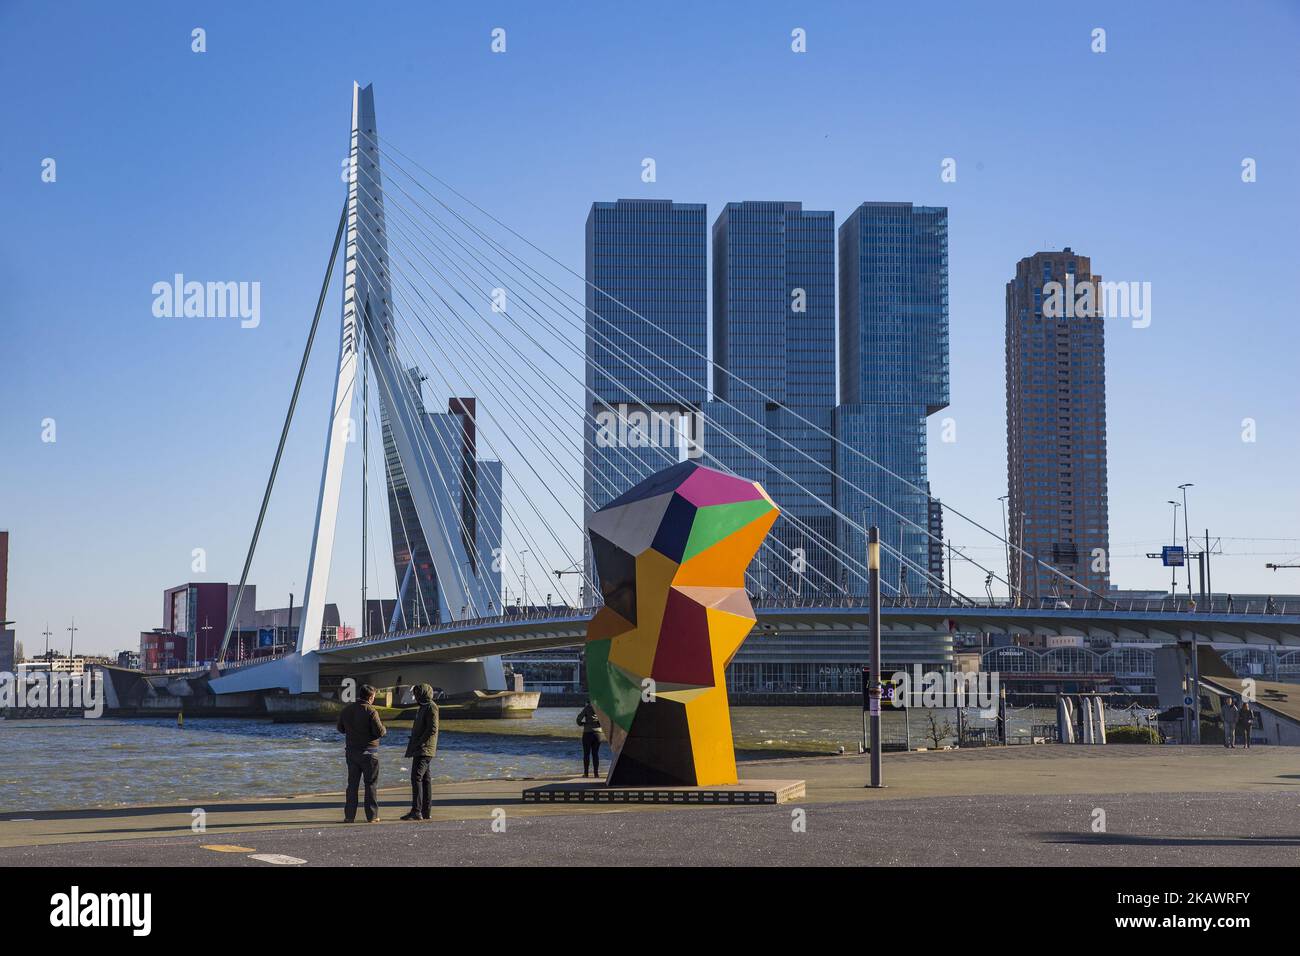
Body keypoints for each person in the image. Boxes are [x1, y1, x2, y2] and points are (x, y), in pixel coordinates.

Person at [336, 684, 386, 823]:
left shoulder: (347, 710)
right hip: (369, 752)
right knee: (370, 784)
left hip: (351, 752)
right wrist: (384, 729)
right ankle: (372, 816)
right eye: (374, 697)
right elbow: (379, 732)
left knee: (352, 785)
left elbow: (340, 729)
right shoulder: (371, 711)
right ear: (370, 697)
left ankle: (349, 816)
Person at [400, 684, 439, 821]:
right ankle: (426, 811)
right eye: (415, 693)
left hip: (424, 749)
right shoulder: (423, 706)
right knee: (425, 779)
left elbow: (432, 729)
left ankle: (416, 811)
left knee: (416, 777)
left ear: (423, 694)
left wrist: (419, 742)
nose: (415, 696)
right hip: (421, 748)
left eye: (417, 693)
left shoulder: (431, 707)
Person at [576, 699, 603, 778]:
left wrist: (582, 724)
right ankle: (596, 774)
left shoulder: (587, 707)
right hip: (598, 734)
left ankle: (586, 773)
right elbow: (605, 720)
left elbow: (578, 719)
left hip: (587, 733)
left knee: (586, 754)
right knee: (595, 754)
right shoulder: (601, 708)